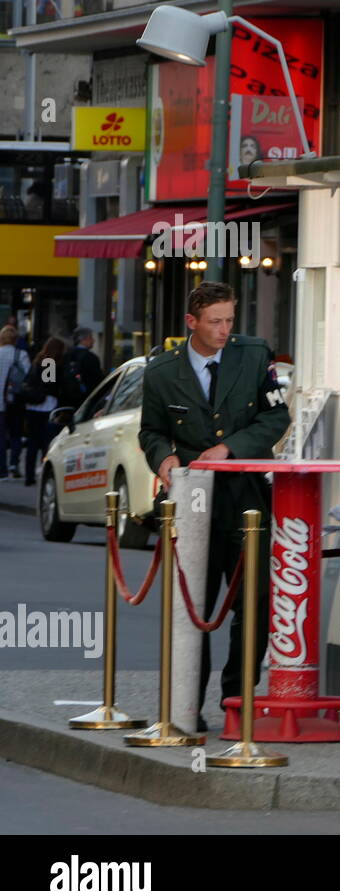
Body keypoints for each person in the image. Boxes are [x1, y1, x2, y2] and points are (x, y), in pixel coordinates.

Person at [138, 282, 290, 730]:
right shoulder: (163, 371)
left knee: (255, 600)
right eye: (216, 321)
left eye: (230, 319)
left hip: (247, 498)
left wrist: (232, 449)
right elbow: (151, 431)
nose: (226, 330)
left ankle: (236, 703)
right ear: (192, 322)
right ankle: (187, 706)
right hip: (192, 501)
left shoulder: (255, 355)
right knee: (194, 605)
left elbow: (275, 416)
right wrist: (163, 458)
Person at [20, 337, 81, 486]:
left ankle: (30, 475)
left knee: (33, 443)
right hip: (45, 407)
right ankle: (43, 475)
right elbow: (49, 385)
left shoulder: (38, 360)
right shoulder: (49, 363)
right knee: (45, 443)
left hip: (33, 407)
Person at [0, 325, 29, 479]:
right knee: (16, 434)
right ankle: (14, 464)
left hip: (0, 402)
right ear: (15, 339)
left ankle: (1, 469)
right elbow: (28, 376)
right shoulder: (21, 354)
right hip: (16, 400)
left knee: (1, 436)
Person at [67, 327, 103, 404]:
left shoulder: (67, 354)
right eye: (90, 338)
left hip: (67, 398)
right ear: (83, 340)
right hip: (85, 398)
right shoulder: (90, 357)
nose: (93, 340)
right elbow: (96, 379)